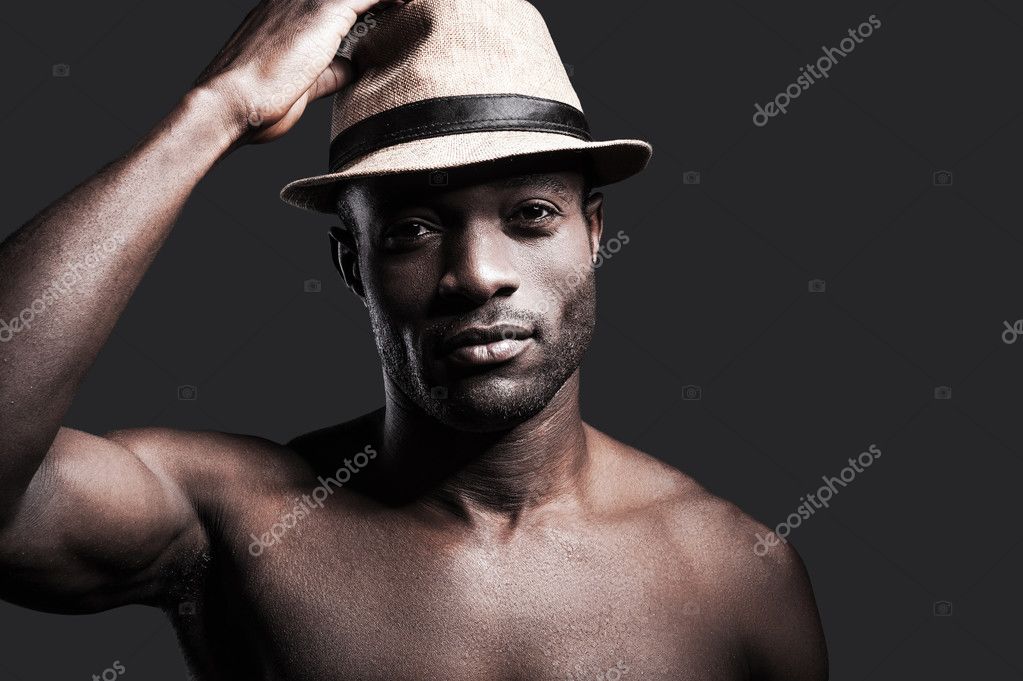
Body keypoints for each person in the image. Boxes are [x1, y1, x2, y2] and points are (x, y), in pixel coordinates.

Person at [0, 0, 828, 678]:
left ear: (592, 229)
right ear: (351, 262)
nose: (474, 274)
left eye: (530, 215)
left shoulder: (735, 576)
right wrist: (215, 111)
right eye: (412, 230)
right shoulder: (232, 522)